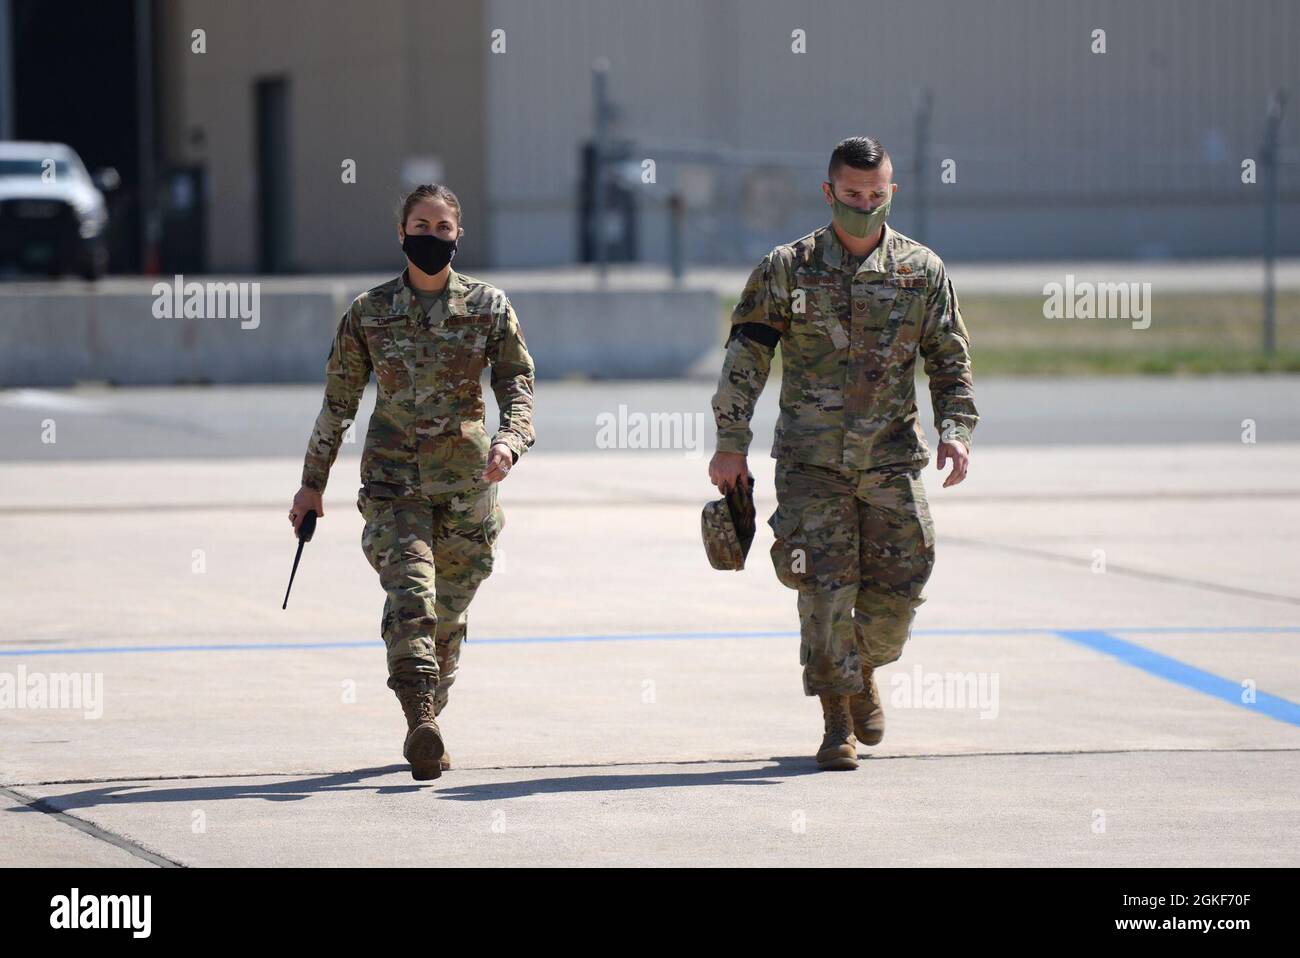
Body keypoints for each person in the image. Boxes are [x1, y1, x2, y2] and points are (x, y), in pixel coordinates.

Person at [708, 137, 978, 770]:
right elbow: (745, 358)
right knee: (823, 588)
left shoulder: (921, 271)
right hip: (811, 463)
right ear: (829, 193)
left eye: (875, 195)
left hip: (891, 458)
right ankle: (836, 723)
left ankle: (859, 669)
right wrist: (730, 443)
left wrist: (956, 429)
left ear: (891, 193)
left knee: (906, 580)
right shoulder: (787, 268)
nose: (864, 205)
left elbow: (949, 358)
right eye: (852, 195)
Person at [289, 183, 535, 780]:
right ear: (401, 235)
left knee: (448, 612)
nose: (431, 237)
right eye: (419, 227)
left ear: (458, 235)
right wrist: (311, 484)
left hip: (468, 486)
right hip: (393, 483)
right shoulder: (368, 313)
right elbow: (338, 404)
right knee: (410, 598)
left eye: (442, 228)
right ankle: (418, 715)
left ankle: (431, 711)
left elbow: (517, 385)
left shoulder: (489, 307)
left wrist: (511, 441)